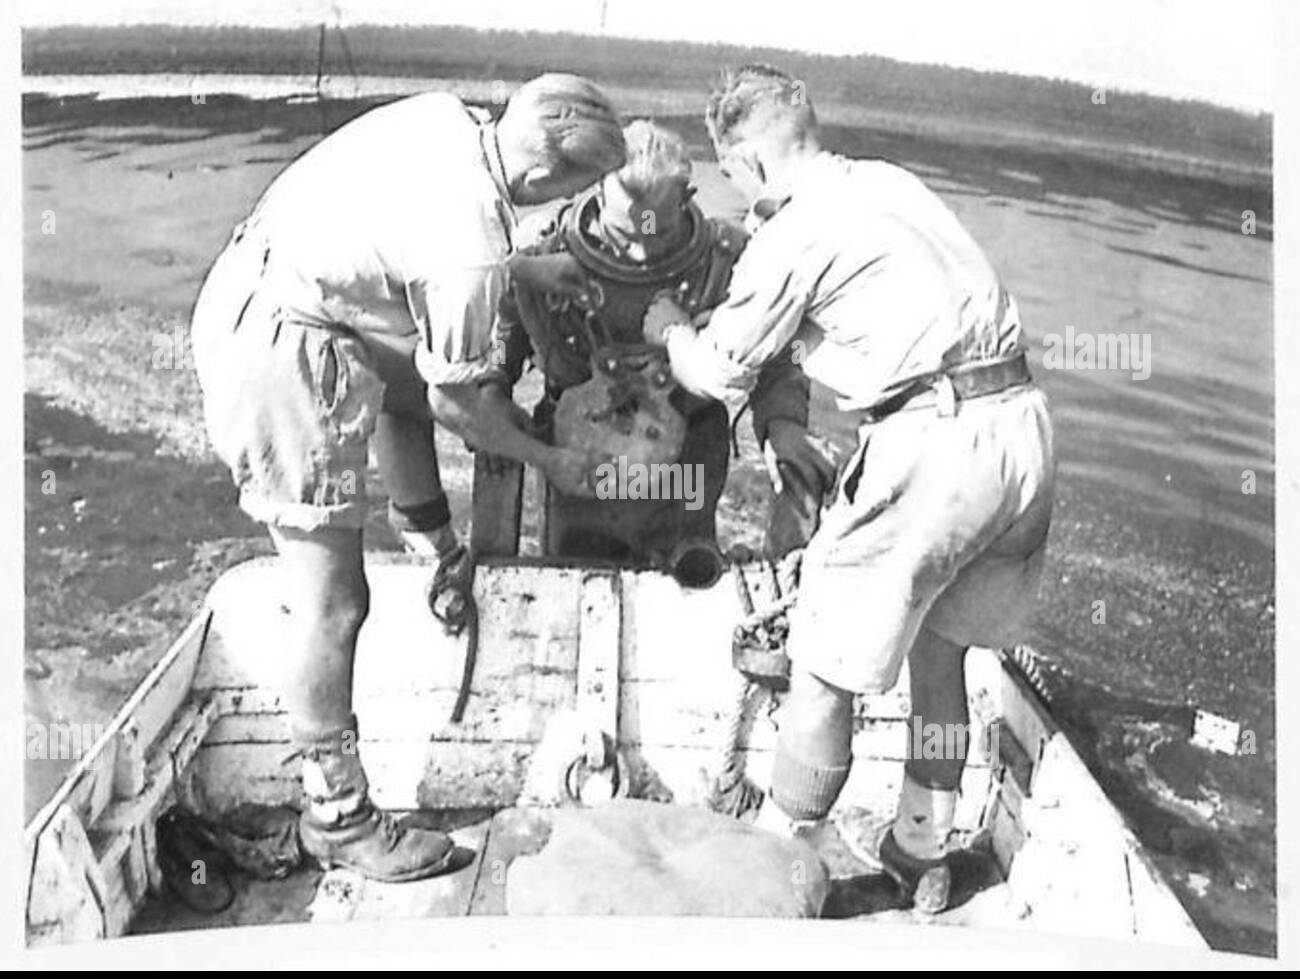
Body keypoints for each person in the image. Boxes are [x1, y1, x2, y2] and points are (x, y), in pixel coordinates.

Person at [191, 75, 626, 882]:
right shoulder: (473, 248)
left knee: (410, 364)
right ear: (547, 183)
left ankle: (431, 541)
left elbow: (399, 247)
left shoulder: (447, 118)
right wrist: (554, 460)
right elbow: (458, 405)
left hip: (265, 285)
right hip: (282, 356)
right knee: (335, 602)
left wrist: (525, 273)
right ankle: (338, 817)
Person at [643, 65, 1055, 913]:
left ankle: (779, 872)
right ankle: (922, 847)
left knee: (822, 669)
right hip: (1023, 431)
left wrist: (669, 327)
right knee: (943, 652)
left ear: (748, 163)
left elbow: (719, 374)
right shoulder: (887, 183)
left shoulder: (794, 234)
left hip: (936, 444)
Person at [498, 119, 825, 571]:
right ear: (593, 190)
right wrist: (497, 410)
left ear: (687, 198)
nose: (638, 252)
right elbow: (499, 346)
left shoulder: (731, 262)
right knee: (579, 578)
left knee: (687, 578)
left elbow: (780, 360)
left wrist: (784, 425)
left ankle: (689, 552)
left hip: (685, 472)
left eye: (654, 233)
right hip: (581, 471)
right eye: (623, 234)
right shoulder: (539, 254)